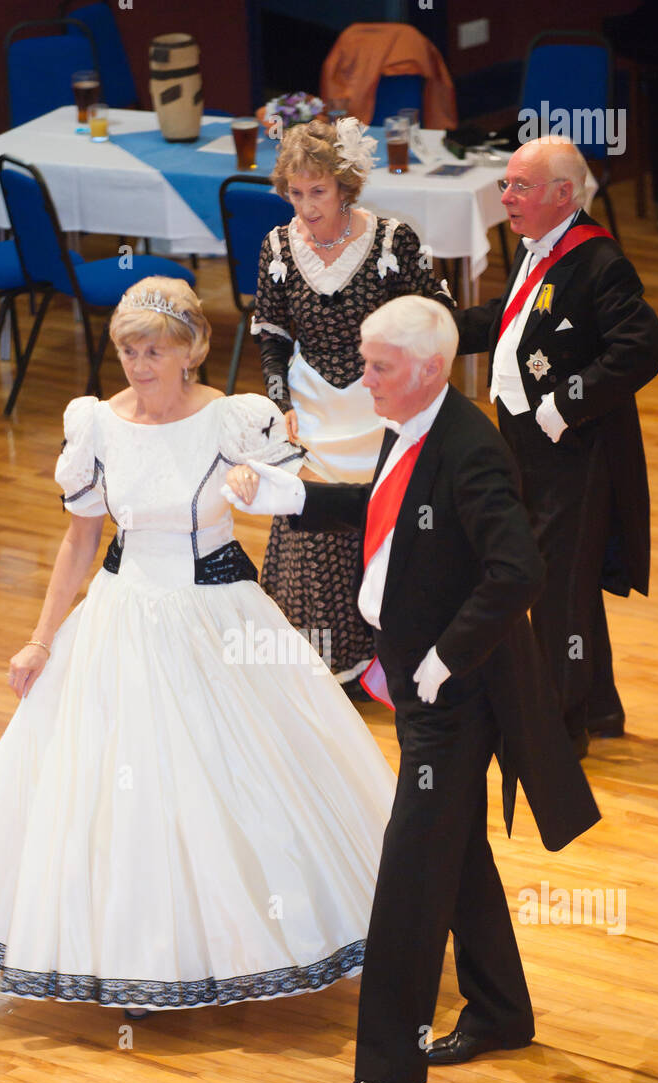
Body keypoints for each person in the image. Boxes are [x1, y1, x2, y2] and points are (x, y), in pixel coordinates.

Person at [0, 277, 396, 1014]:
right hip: (121, 616)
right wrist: (39, 641)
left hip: (218, 615)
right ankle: (137, 964)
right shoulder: (96, 424)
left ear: (191, 350)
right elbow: (79, 541)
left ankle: (240, 944)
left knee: (240, 782)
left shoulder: (234, 421)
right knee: (119, 790)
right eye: (128, 350)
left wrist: (280, 483)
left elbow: (301, 499)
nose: (138, 365)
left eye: (153, 350)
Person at [224, 295, 600, 1083]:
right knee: (455, 849)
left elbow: (519, 572)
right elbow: (390, 511)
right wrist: (298, 500)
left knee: (407, 874)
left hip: (455, 696)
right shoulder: (412, 422)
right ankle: (500, 1010)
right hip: (428, 685)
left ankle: (389, 1061)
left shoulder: (472, 451)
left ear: (428, 368)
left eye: (377, 366)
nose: (364, 379)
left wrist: (441, 658)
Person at [455, 136, 658, 754]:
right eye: (505, 185)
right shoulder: (537, 248)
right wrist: (441, 325)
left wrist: (566, 402)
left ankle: (558, 730)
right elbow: (510, 318)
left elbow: (641, 346)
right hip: (527, 445)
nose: (507, 197)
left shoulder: (599, 261)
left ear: (562, 195)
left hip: (576, 450)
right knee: (563, 583)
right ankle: (595, 705)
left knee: (551, 585)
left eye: (519, 186)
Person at [252, 116, 454, 697]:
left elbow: (435, 318)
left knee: (392, 528)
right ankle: (325, 667)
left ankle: (392, 659)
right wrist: (278, 398)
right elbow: (271, 333)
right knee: (310, 524)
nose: (307, 206)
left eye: (318, 191)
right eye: (295, 192)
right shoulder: (277, 248)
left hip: (383, 410)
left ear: (345, 186)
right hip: (312, 409)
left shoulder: (394, 241)